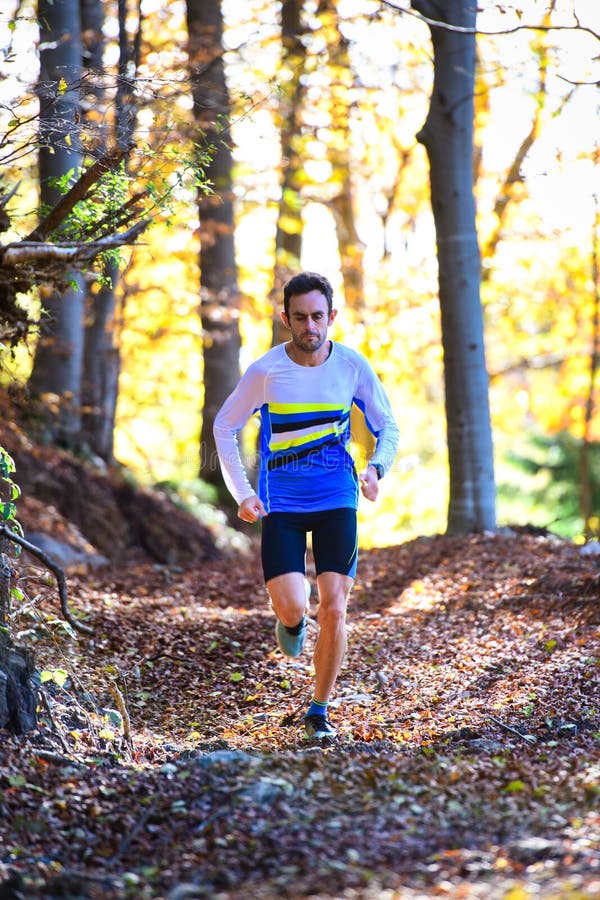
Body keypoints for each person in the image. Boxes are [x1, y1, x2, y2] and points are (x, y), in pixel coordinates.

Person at [213, 271, 399, 741]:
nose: (310, 326)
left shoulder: (352, 367)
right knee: (295, 607)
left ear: (332, 317)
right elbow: (224, 426)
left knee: (334, 608)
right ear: (286, 319)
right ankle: (291, 622)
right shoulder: (265, 371)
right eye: (300, 317)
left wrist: (376, 468)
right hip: (282, 499)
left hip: (337, 492)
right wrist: (243, 493)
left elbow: (388, 426)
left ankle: (319, 708)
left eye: (318, 316)